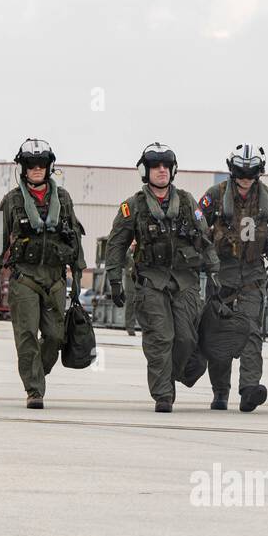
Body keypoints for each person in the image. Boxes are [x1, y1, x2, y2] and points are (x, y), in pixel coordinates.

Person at [105, 143, 219, 412]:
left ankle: (171, 377)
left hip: (184, 280)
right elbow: (116, 244)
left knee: (186, 339)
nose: (161, 171)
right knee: (161, 337)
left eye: (166, 166)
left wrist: (214, 271)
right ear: (145, 171)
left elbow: (204, 239)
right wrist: (113, 279)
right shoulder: (132, 206)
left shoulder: (188, 202)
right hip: (151, 280)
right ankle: (163, 395)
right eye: (156, 166)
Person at [0, 139, 86, 410]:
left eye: (42, 164)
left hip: (54, 278)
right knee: (27, 335)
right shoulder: (12, 200)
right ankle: (34, 389)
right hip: (25, 278)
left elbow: (75, 236)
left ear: (49, 166)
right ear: (23, 168)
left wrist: (77, 273)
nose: (37, 169)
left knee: (55, 336)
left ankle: (36, 372)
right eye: (31, 164)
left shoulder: (63, 199)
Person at [198, 144, 268, 412]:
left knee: (251, 333)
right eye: (241, 172)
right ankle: (220, 392)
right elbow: (197, 224)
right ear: (232, 171)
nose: (246, 178)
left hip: (253, 276)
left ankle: (249, 389)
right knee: (219, 334)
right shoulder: (215, 195)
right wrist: (204, 260)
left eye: (251, 173)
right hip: (221, 276)